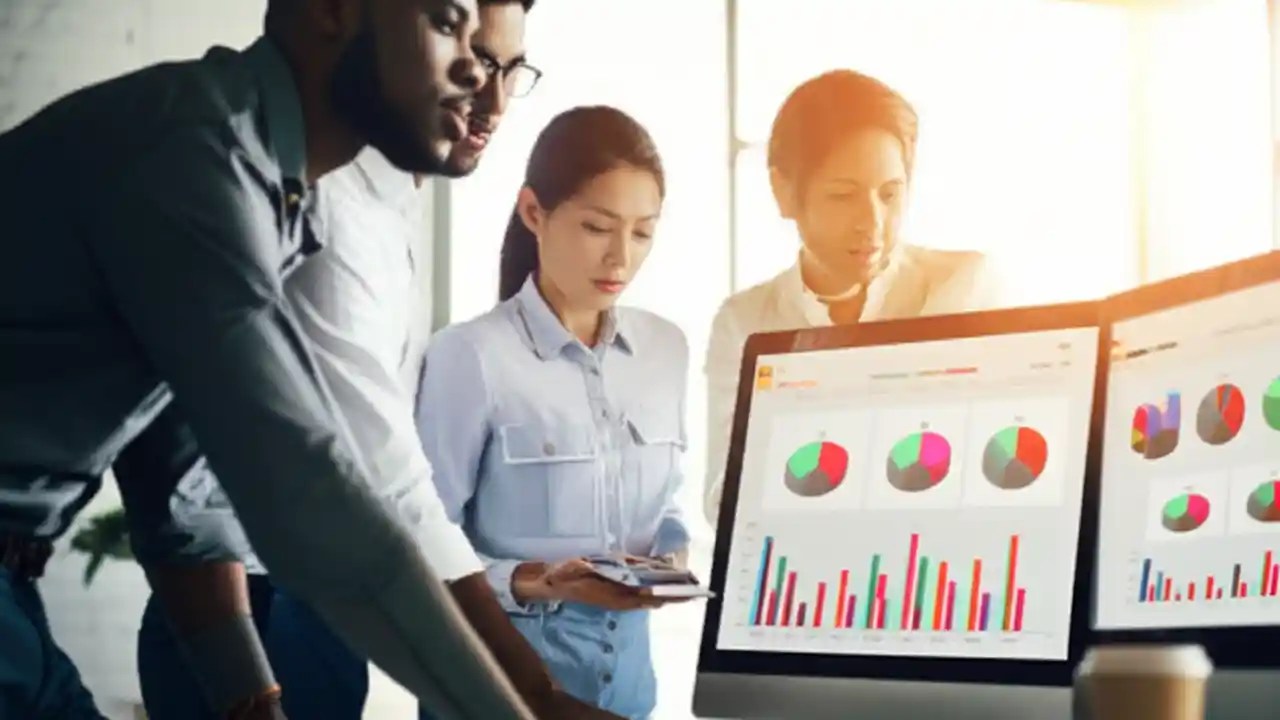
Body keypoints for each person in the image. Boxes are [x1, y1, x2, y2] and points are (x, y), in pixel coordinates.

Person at [0, 0, 612, 718]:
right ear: (332, 10)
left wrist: (252, 702)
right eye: (447, 22)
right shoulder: (195, 157)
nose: (477, 68)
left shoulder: (275, 195)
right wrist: (520, 709)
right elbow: (314, 495)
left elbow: (182, 491)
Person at [128, 3, 540, 718]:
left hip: (292, 601)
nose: (485, 86)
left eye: (507, 65)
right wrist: (534, 699)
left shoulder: (385, 192)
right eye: (455, 34)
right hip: (251, 599)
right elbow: (384, 485)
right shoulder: (282, 182)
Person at [415, 105, 693, 720]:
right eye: (598, 227)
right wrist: (539, 580)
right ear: (533, 212)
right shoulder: (471, 356)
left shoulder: (666, 348)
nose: (621, 257)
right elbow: (422, 548)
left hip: (628, 694)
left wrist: (671, 560)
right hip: (498, 690)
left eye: (643, 232)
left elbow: (665, 503)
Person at [702, 69, 1008, 524]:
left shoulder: (962, 286)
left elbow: (996, 455)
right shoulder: (746, 322)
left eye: (890, 194)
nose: (873, 223)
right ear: (784, 192)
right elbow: (723, 501)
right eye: (843, 196)